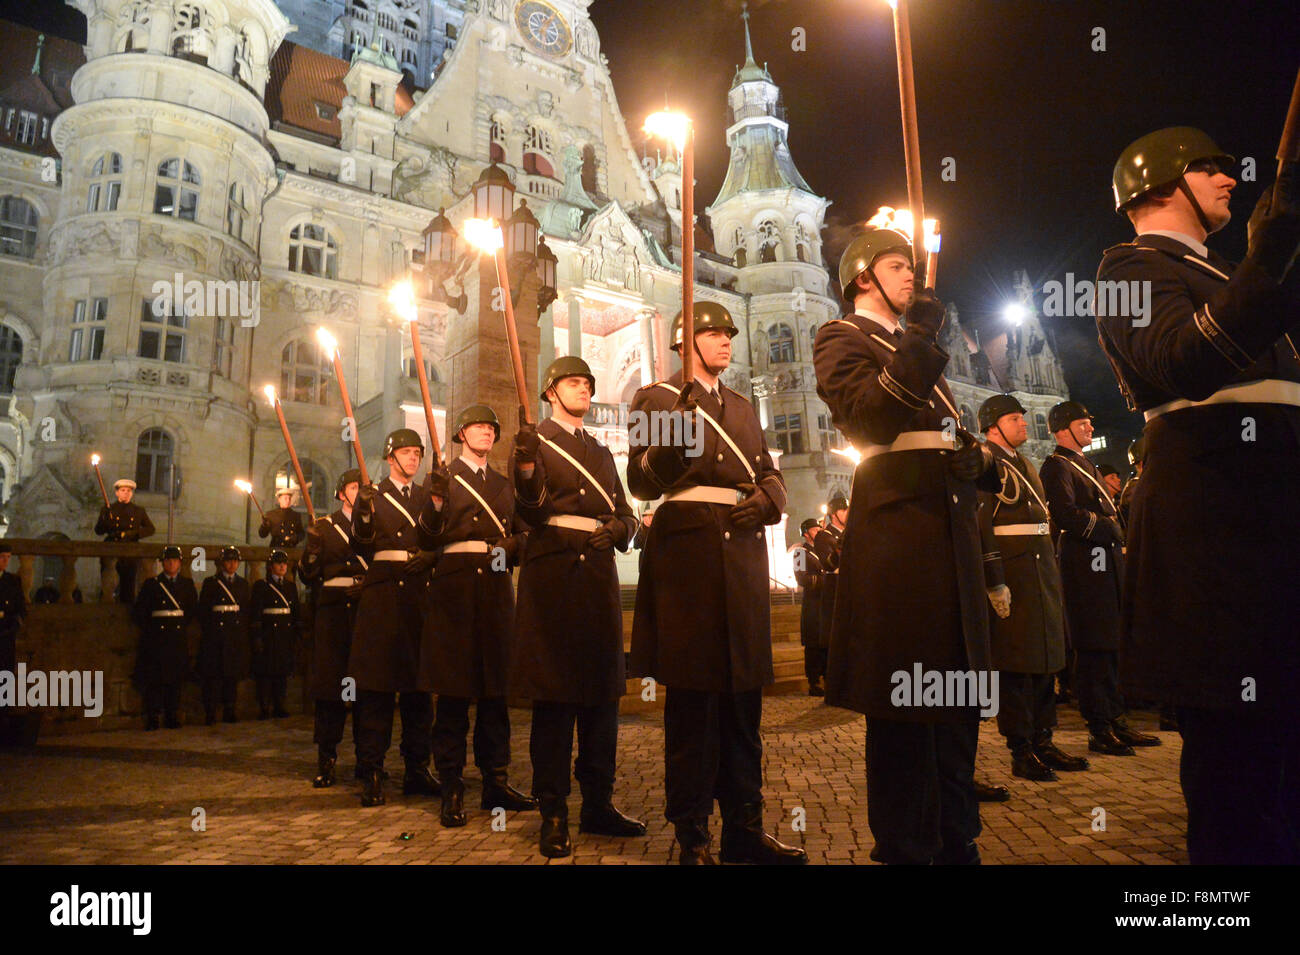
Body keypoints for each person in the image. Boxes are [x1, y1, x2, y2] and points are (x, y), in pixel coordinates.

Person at [1096, 127, 1300, 863]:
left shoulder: (1218, 274)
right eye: (1208, 167)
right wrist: (1268, 259)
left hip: (1266, 543)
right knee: (1237, 789)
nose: (1229, 178)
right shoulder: (1128, 266)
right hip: (1216, 551)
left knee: (1281, 775)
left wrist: (1265, 265)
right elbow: (1187, 361)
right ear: (1158, 185)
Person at [813, 226, 999, 865]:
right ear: (862, 276)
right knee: (907, 703)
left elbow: (947, 428)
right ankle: (906, 846)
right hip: (899, 531)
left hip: (947, 527)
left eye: (912, 266)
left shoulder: (912, 344)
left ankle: (956, 838)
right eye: (897, 266)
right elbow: (872, 417)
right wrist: (918, 338)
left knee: (955, 702)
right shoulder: (840, 337)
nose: (911, 276)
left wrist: (975, 457)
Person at [628, 304, 806, 866]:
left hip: (743, 558)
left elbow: (768, 471)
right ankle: (693, 838)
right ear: (686, 342)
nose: (725, 341)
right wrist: (674, 437)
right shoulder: (656, 399)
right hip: (689, 559)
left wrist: (770, 501)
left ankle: (745, 833)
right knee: (694, 709)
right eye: (712, 333)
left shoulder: (741, 407)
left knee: (743, 707)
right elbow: (639, 479)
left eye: (728, 333)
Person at [512, 356, 644, 858]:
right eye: (574, 383)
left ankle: (598, 803)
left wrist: (621, 529)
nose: (585, 390)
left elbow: (625, 511)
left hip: (598, 579)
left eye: (588, 383)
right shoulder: (535, 441)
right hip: (553, 574)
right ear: (550, 392)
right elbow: (531, 510)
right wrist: (525, 466)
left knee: (601, 698)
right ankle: (552, 812)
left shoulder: (599, 448)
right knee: (555, 699)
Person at [417, 404, 536, 827]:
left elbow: (525, 533)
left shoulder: (505, 486)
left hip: (496, 589)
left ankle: (495, 782)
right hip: (453, 590)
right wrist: (432, 500)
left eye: (491, 428)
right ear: (461, 434)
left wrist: (513, 549)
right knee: (452, 696)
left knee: (494, 696)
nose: (486, 433)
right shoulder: (444, 481)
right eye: (478, 427)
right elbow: (425, 536)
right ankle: (451, 785)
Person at [977, 395, 1089, 782]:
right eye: (1014, 419)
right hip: (1014, 571)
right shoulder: (984, 462)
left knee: (1045, 658)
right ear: (993, 426)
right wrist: (994, 579)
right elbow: (981, 524)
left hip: (1039, 567)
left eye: (1023, 418)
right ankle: (1021, 748)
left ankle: (1043, 738)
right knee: (1016, 666)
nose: (1024, 425)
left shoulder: (1023, 462)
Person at [1039, 401, 1160, 758]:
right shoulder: (1056, 466)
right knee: (1094, 646)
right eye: (1082, 424)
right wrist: (1105, 525)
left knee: (1111, 643)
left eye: (1090, 423)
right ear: (1063, 430)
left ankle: (1116, 717)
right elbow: (1065, 513)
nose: (1090, 428)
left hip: (1104, 561)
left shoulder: (1083, 463)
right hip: (1084, 562)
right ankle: (1099, 726)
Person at [349, 429, 445, 807]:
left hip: (418, 598)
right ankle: (371, 770)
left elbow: (439, 539)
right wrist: (365, 511)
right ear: (391, 458)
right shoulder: (375, 495)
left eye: (417, 453)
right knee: (376, 690)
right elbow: (360, 543)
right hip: (383, 599)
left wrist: (433, 556)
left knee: (419, 692)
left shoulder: (426, 495)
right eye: (406, 453)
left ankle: (417, 769)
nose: (412, 459)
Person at [298, 468, 366, 788]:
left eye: (364, 487)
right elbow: (307, 575)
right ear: (342, 494)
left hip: (365, 612)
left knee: (367, 689)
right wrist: (311, 552)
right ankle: (327, 759)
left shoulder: (375, 527)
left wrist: (367, 584)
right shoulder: (324, 528)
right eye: (354, 487)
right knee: (332, 691)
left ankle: (368, 759)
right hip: (334, 615)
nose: (360, 492)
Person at [132, 545, 197, 730]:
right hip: (157, 640)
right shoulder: (152, 584)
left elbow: (191, 609)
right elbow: (140, 612)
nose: (171, 563)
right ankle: (153, 716)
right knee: (155, 681)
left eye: (174, 560)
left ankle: (171, 715)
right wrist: (152, 631)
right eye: (168, 560)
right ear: (162, 563)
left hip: (176, 639)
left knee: (175, 681)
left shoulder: (186, 585)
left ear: (179, 563)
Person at [196, 546, 250, 724]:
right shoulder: (211, 583)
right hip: (215, 637)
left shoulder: (242, 584)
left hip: (234, 636)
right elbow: (204, 611)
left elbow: (245, 611)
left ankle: (229, 709)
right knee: (213, 678)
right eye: (228, 560)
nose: (232, 564)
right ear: (221, 563)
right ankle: (210, 712)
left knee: (231, 676)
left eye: (235, 561)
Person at [250, 550, 300, 719]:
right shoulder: (262, 586)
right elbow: (256, 613)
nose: (282, 566)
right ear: (271, 567)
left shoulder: (290, 587)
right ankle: (264, 707)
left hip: (284, 636)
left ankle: (280, 705)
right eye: (279, 563)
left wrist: (295, 635)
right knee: (265, 675)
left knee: (281, 673)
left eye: (284, 563)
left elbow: (295, 614)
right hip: (268, 634)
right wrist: (257, 637)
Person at [95, 478, 155, 603]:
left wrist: (132, 534)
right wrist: (106, 520)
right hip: (111, 549)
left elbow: (150, 529)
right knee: (108, 584)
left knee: (128, 585)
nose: (126, 493)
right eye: (123, 490)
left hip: (130, 550)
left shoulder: (138, 511)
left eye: (128, 491)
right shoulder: (108, 509)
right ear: (117, 493)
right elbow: (98, 530)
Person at [811, 495, 847, 688]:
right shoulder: (824, 537)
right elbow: (828, 564)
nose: (848, 513)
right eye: (844, 510)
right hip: (830, 593)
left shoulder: (848, 533)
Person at [793, 518, 828, 697]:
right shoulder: (800, 552)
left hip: (825, 602)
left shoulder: (823, 550)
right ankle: (814, 681)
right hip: (813, 604)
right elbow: (802, 579)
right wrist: (826, 581)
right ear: (806, 533)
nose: (819, 532)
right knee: (814, 644)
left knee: (826, 642)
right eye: (815, 530)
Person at [0, 543, 25, 679]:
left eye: (8, 557)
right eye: (2, 556)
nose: (5, 561)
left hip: (5, 634)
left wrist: (14, 624)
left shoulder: (13, 581)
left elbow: (21, 609)